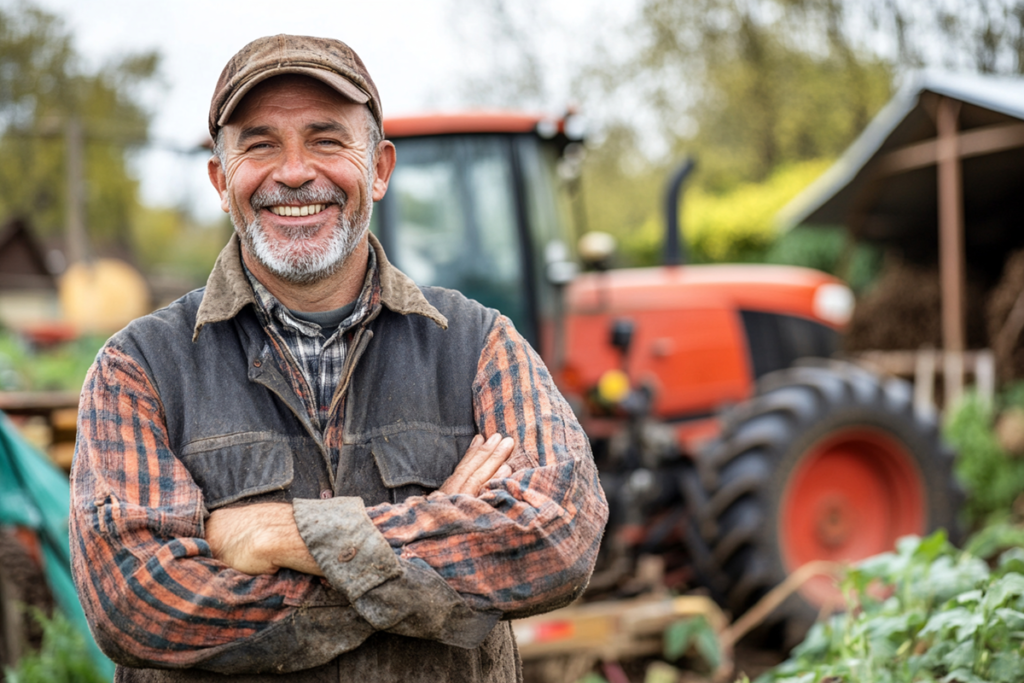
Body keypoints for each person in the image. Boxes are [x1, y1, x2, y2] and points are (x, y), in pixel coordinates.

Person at [69, 34, 608, 682]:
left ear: (379, 167)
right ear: (220, 180)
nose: (294, 171)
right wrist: (442, 571)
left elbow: (556, 537)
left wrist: (278, 534)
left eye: (326, 139)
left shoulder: (479, 343)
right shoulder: (139, 368)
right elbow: (137, 601)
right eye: (260, 143)